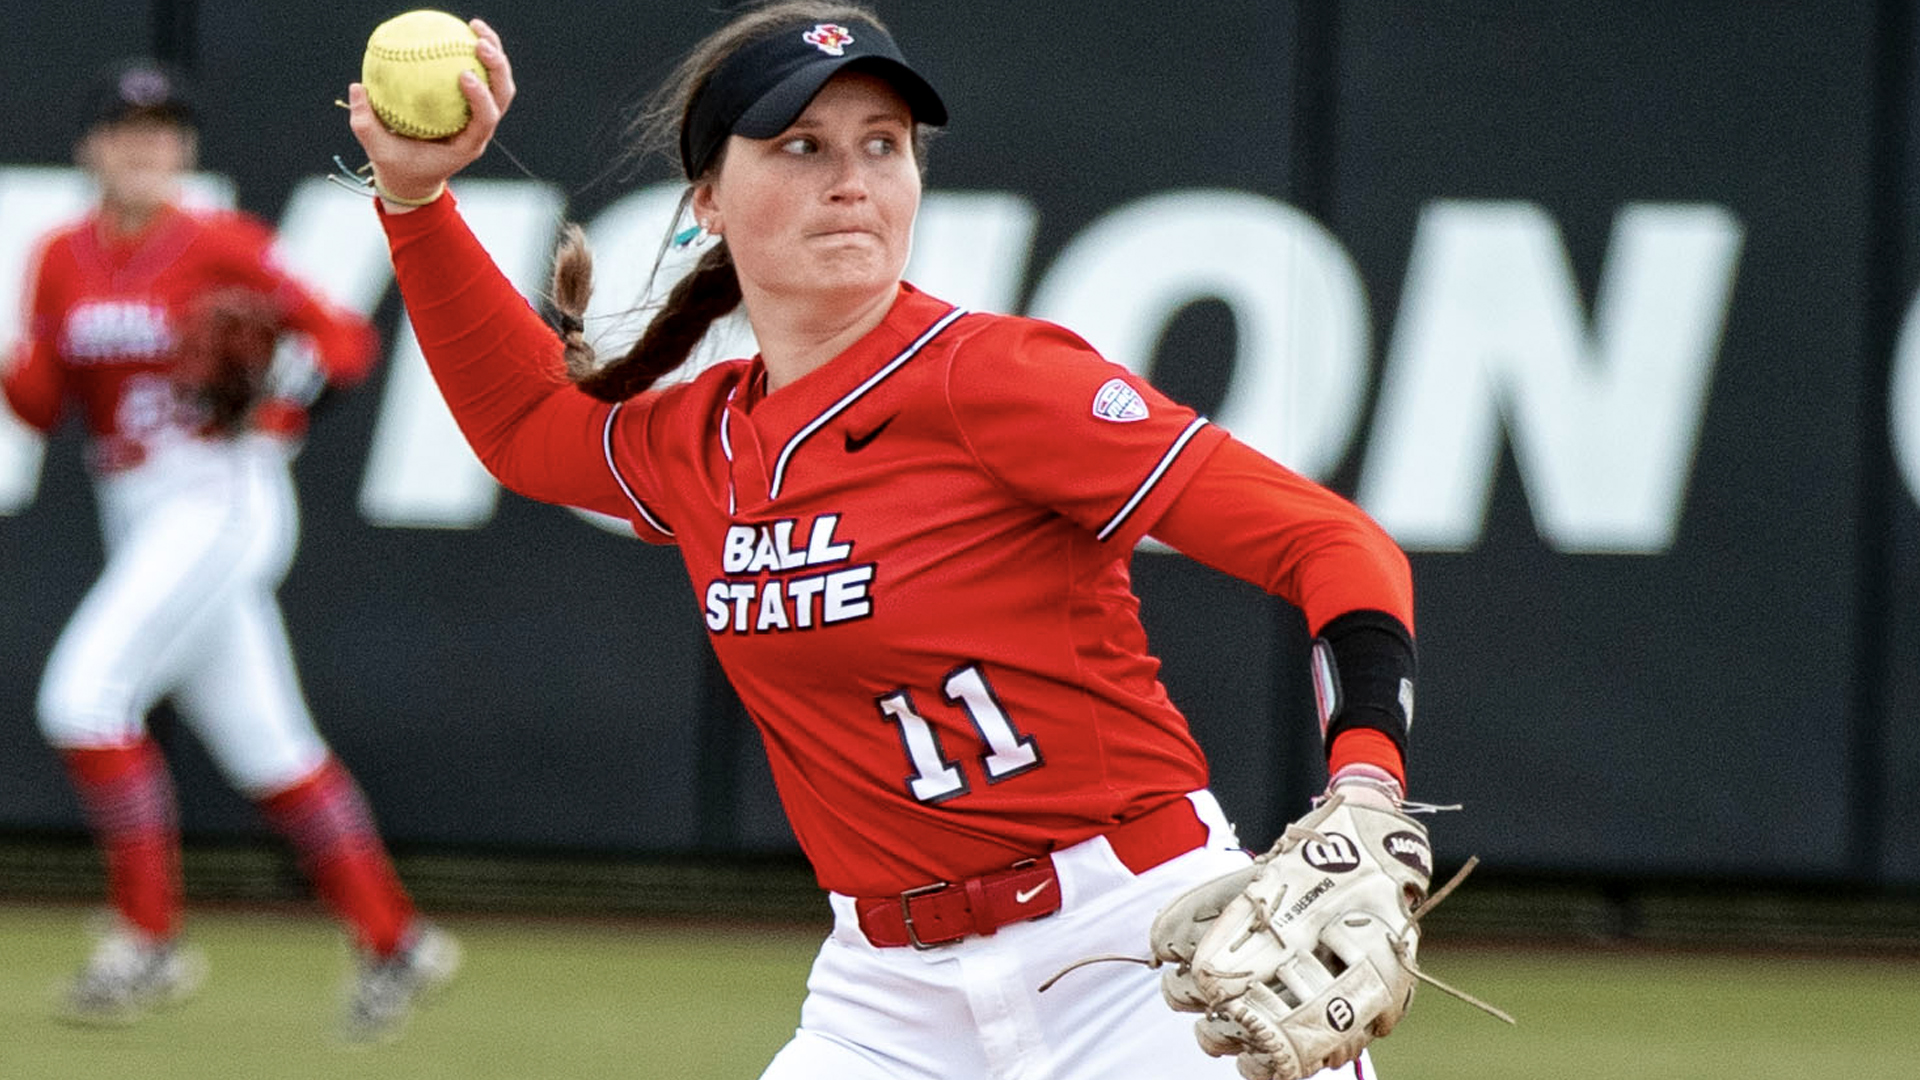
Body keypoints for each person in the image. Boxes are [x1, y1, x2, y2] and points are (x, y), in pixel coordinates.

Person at [346, 4, 1417, 1076]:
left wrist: (1364, 786)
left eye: (882, 146)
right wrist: (413, 194)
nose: (851, 178)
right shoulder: (707, 440)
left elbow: (1332, 544)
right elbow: (528, 428)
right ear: (708, 199)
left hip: (1144, 958)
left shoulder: (994, 376)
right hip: (887, 994)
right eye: (801, 147)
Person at [3, 57, 459, 1041]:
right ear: (91, 148)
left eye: (162, 133)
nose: (144, 148)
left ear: (185, 151)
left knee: (82, 698)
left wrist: (282, 405)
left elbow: (343, 338)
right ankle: (396, 939)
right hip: (136, 505)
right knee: (270, 747)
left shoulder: (220, 241)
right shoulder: (60, 256)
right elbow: (41, 405)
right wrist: (24, 357)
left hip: (220, 500)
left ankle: (148, 938)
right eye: (126, 133)